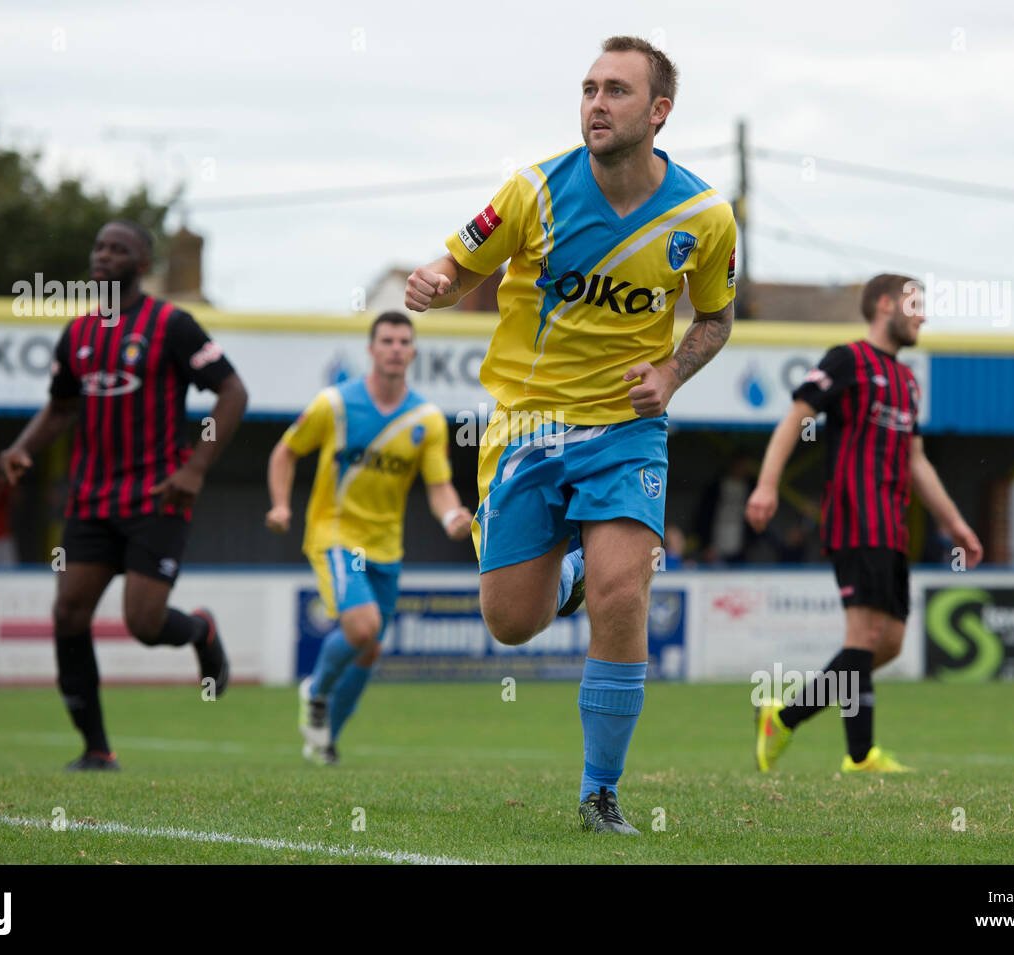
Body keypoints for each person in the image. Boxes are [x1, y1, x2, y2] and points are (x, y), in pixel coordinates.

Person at [405, 36, 737, 834]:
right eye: (589, 88)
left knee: (626, 592)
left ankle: (600, 792)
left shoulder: (705, 217)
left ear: (659, 112)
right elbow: (456, 266)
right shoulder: (533, 191)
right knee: (512, 623)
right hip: (527, 423)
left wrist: (671, 376)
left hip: (626, 429)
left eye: (616, 91)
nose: (596, 103)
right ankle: (568, 572)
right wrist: (435, 284)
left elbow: (717, 317)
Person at [0, 220, 248, 771]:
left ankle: (200, 629)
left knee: (144, 623)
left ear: (141, 265)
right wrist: (22, 448)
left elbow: (232, 391)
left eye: (119, 250)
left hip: (158, 494)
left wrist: (196, 468)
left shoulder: (172, 326)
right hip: (90, 499)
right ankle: (95, 749)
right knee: (68, 614)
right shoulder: (79, 333)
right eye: (99, 247)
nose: (103, 256)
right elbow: (61, 407)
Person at [746, 273, 983, 774]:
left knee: (889, 642)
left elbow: (918, 461)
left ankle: (796, 720)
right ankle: (843, 748)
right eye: (915, 304)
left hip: (894, 526)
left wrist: (956, 525)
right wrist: (768, 485)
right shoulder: (847, 359)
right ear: (884, 304)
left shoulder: (908, 380)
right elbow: (796, 417)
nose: (923, 315)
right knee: (866, 636)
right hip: (856, 517)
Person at [265, 311, 472, 765]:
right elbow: (285, 451)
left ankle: (325, 744)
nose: (396, 348)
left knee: (371, 645)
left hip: (387, 546)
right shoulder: (334, 405)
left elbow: (438, 486)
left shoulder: (427, 419)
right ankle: (315, 691)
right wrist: (281, 505)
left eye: (404, 341)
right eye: (387, 340)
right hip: (336, 534)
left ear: (413, 352)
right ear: (371, 350)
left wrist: (454, 515)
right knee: (363, 627)